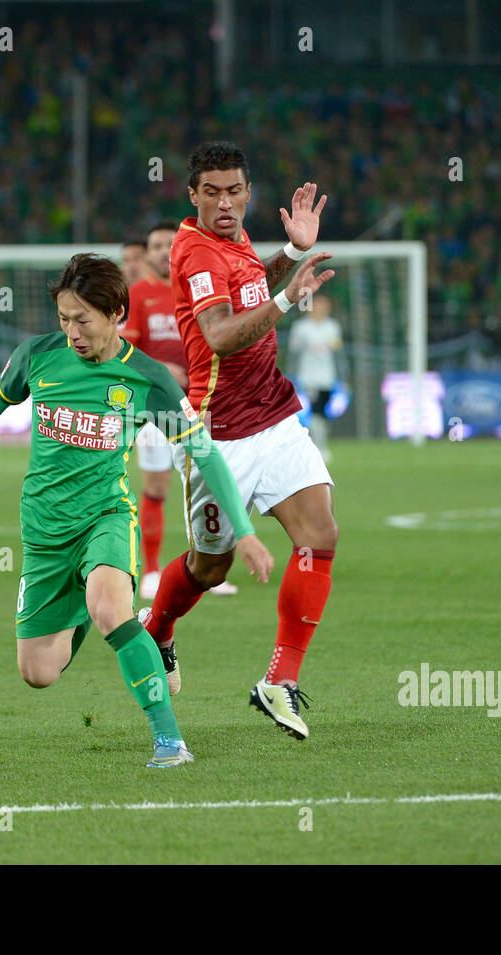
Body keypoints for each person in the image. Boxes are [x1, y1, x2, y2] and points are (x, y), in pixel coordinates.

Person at [0, 253, 273, 767]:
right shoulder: (38, 356)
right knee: (38, 672)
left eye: (83, 319)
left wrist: (244, 531)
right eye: (64, 318)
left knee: (109, 607)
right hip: (44, 530)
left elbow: (203, 452)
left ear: (117, 314)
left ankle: (170, 741)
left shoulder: (147, 379)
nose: (72, 331)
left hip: (106, 517)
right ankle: (120, 625)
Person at [144, 141, 337, 740]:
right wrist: (287, 297)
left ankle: (278, 680)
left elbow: (252, 289)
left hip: (274, 415)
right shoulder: (196, 251)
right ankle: (157, 632)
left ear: (249, 193)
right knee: (208, 567)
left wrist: (289, 254)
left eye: (234, 191)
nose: (224, 203)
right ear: (193, 195)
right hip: (219, 431)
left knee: (320, 535)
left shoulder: (238, 240)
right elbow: (223, 336)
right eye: (212, 192)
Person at [123, 221, 237, 605]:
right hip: (158, 406)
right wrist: (159, 368)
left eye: (168, 244)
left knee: (209, 486)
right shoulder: (138, 295)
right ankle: (152, 570)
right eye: (154, 245)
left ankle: (209, 565)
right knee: (156, 488)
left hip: (203, 403)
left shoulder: (200, 289)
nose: (161, 251)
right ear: (147, 253)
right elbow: (126, 353)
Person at [287, 293, 344, 462]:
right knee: (316, 411)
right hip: (308, 376)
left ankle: (319, 444)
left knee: (323, 412)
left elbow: (336, 348)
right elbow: (294, 350)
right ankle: (318, 446)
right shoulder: (301, 327)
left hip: (327, 376)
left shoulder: (332, 326)